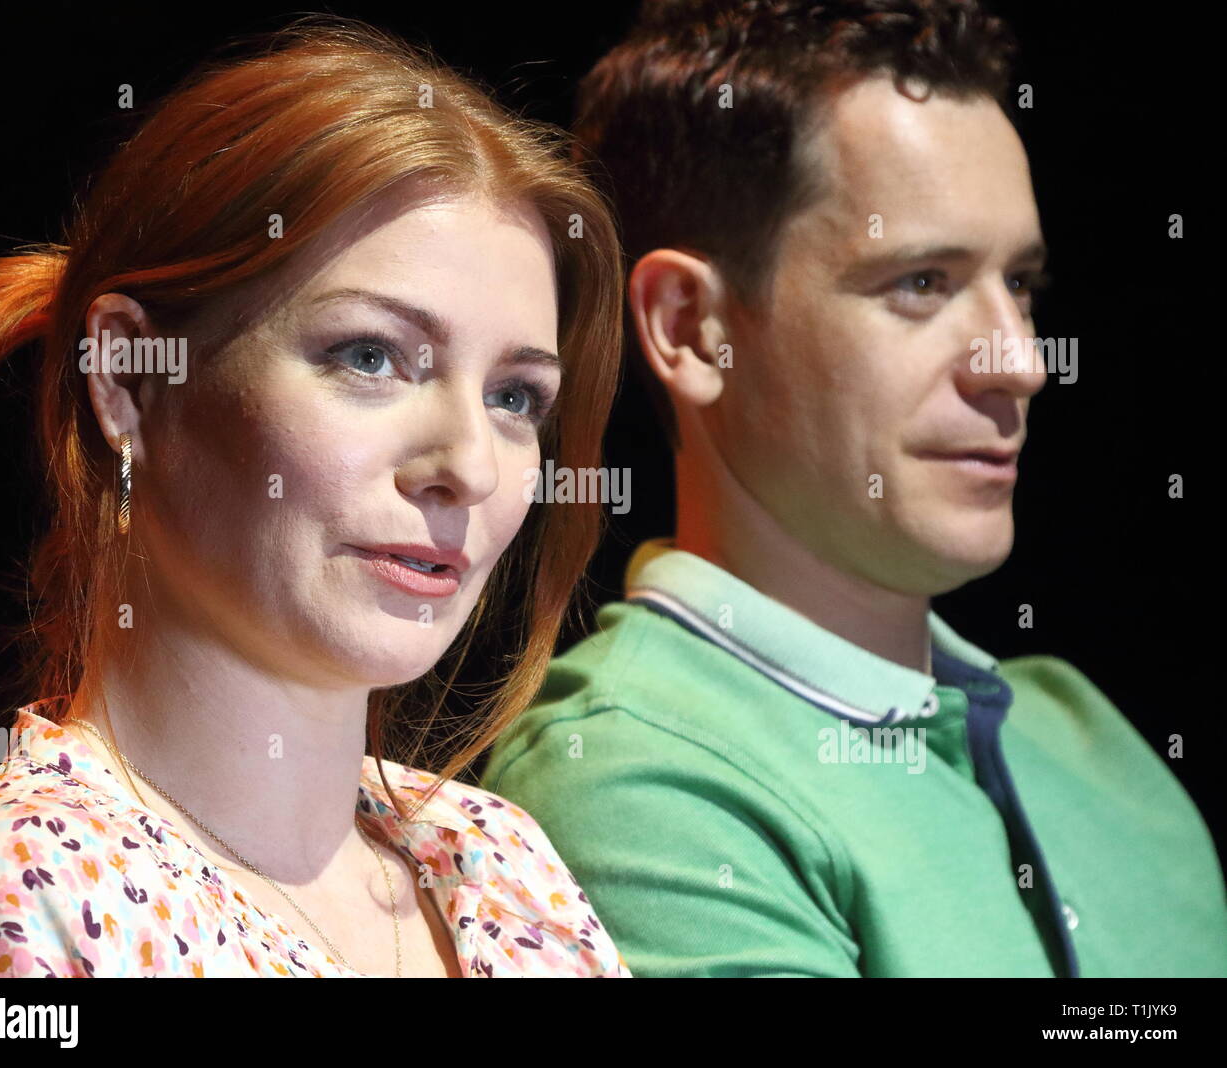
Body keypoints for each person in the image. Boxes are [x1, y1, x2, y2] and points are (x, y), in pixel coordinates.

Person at [481, 0, 1227, 977]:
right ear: (691, 327)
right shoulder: (632, 781)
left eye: (1023, 285)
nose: (1019, 361)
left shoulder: (1095, 745)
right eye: (921, 283)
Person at [0, 17, 628, 978]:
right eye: (370, 357)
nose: (470, 464)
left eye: (514, 398)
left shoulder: (499, 860)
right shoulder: (38, 881)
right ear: (129, 378)